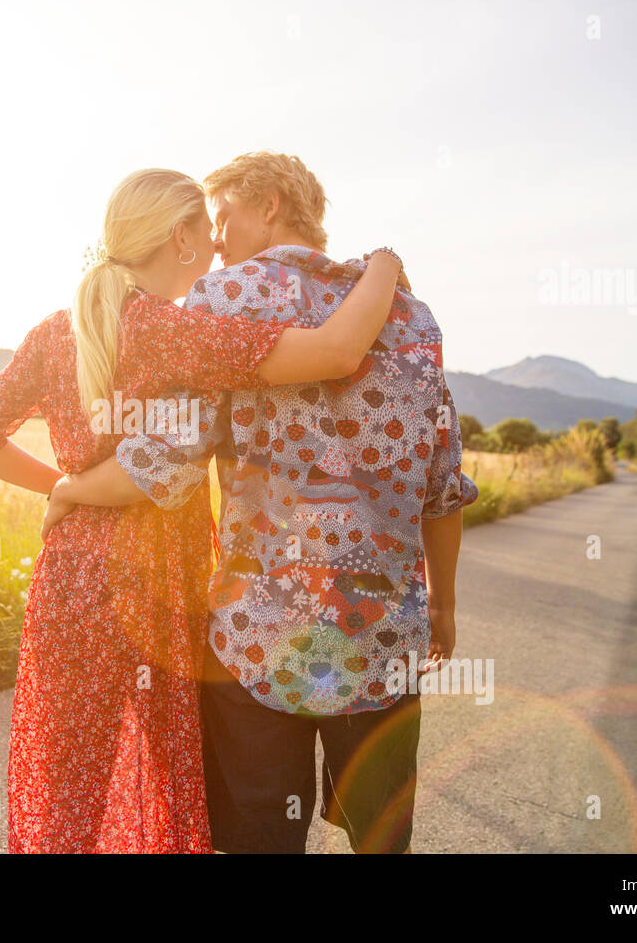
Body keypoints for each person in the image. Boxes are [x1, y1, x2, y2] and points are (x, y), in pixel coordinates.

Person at [0, 167, 403, 852]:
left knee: (70, 783)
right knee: (167, 781)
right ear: (181, 236)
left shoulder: (53, 332)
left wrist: (63, 490)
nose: (219, 254)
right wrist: (385, 268)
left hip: (69, 578)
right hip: (158, 584)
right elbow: (338, 352)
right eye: (208, 237)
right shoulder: (177, 331)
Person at [43, 151, 476, 853]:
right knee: (381, 837)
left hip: (254, 639)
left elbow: (167, 464)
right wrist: (445, 608)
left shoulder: (222, 299)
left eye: (223, 217)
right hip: (382, 636)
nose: (215, 240)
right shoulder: (412, 314)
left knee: (256, 841)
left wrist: (71, 488)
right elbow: (442, 487)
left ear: (268, 204)